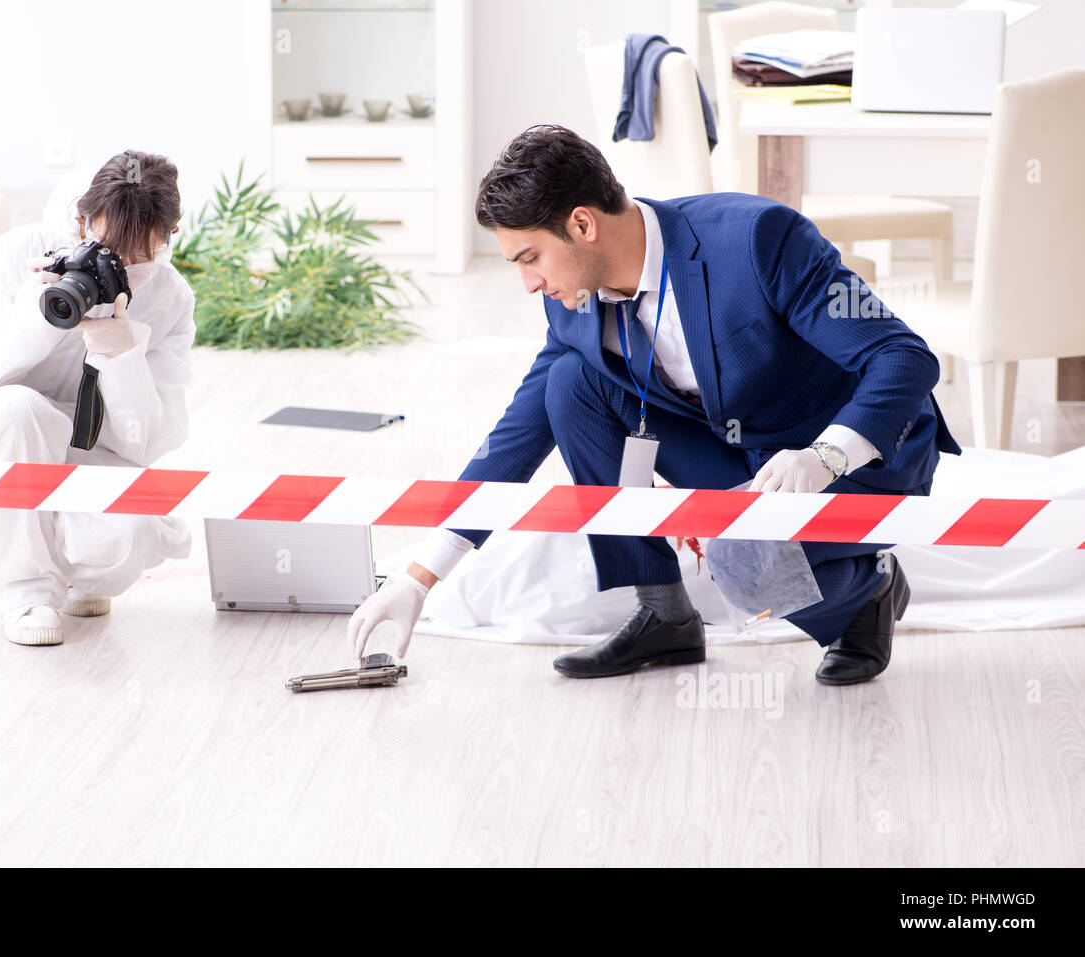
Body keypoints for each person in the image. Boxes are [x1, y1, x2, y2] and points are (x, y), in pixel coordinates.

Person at [349, 125, 961, 685]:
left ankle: (867, 590)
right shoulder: (574, 300)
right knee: (569, 385)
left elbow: (904, 358)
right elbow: (520, 432)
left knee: (742, 558)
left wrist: (826, 456)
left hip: (848, 458)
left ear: (583, 225)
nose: (529, 283)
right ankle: (664, 616)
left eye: (530, 257)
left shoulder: (756, 241)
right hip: (737, 448)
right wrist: (418, 578)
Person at [0, 150, 197, 646]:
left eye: (140, 257)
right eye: (109, 248)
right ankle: (24, 594)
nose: (122, 267)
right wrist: (36, 320)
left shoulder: (171, 297)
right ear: (82, 221)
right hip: (0, 439)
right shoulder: (13, 256)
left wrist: (122, 355)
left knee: (132, 534)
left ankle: (83, 579)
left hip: (92, 446)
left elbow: (146, 441)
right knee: (15, 410)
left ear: (167, 241)